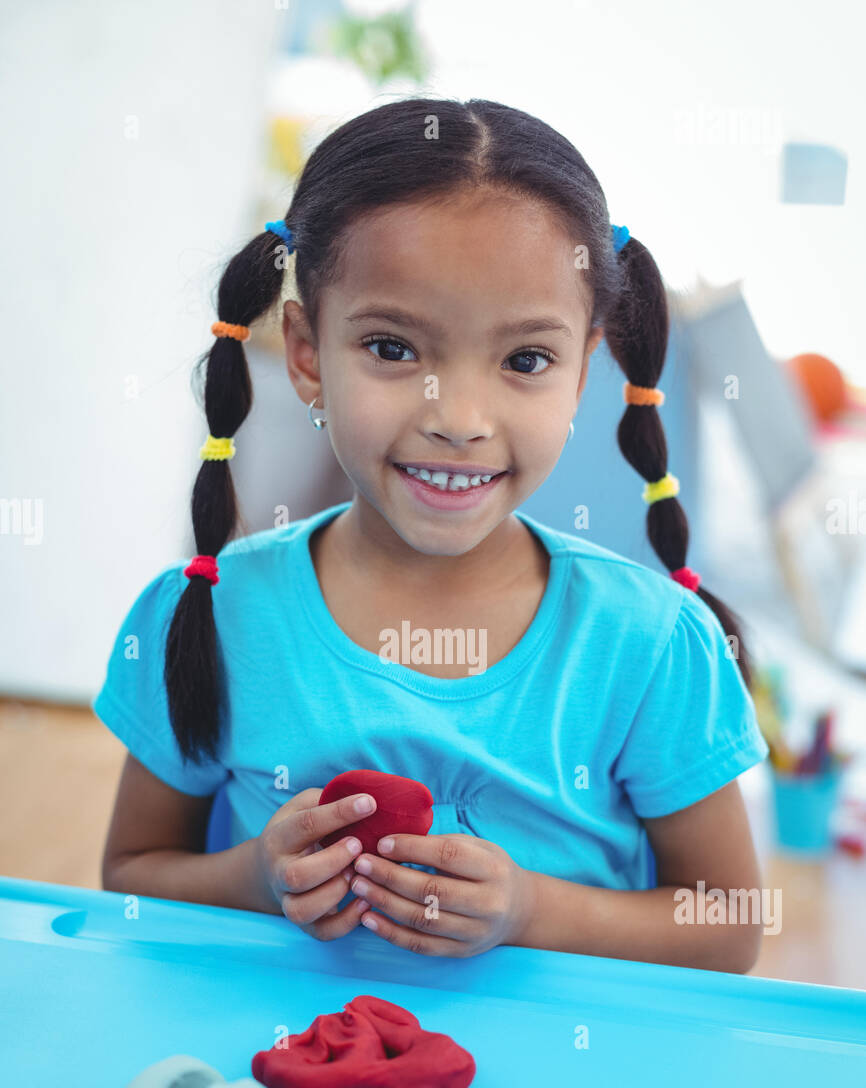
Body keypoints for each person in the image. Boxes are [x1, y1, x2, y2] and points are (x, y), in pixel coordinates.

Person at [93, 98, 769, 971]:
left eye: (526, 360)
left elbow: (729, 927)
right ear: (307, 354)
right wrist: (257, 879)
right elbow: (132, 874)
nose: (459, 419)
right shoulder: (212, 614)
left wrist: (527, 907)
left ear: (583, 369)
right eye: (392, 348)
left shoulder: (647, 641)